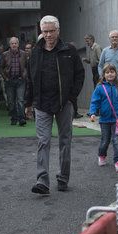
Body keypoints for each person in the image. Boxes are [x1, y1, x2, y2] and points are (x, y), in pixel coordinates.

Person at [24, 15, 84, 195]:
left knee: (65, 141)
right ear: (40, 32)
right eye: (45, 31)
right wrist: (28, 103)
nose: (48, 35)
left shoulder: (69, 51)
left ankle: (63, 178)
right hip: (42, 104)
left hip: (64, 104)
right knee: (43, 141)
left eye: (51, 31)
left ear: (58, 31)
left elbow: (79, 75)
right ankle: (42, 180)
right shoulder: (35, 52)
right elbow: (30, 79)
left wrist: (71, 97)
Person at [88, 63, 118, 173]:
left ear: (116, 73)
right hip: (104, 120)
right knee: (105, 141)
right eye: (107, 72)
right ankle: (102, 155)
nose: (110, 74)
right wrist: (92, 112)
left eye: (112, 72)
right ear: (104, 75)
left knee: (117, 141)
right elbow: (95, 102)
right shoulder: (100, 88)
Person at [0, 36, 28, 126]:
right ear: (10, 45)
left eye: (15, 43)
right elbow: (0, 68)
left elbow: (27, 66)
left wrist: (24, 75)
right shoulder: (5, 54)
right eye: (12, 43)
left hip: (20, 80)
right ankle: (13, 117)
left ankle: (21, 119)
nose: (14, 45)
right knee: (11, 101)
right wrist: (5, 78)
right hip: (9, 80)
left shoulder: (23, 54)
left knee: (20, 100)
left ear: (18, 44)